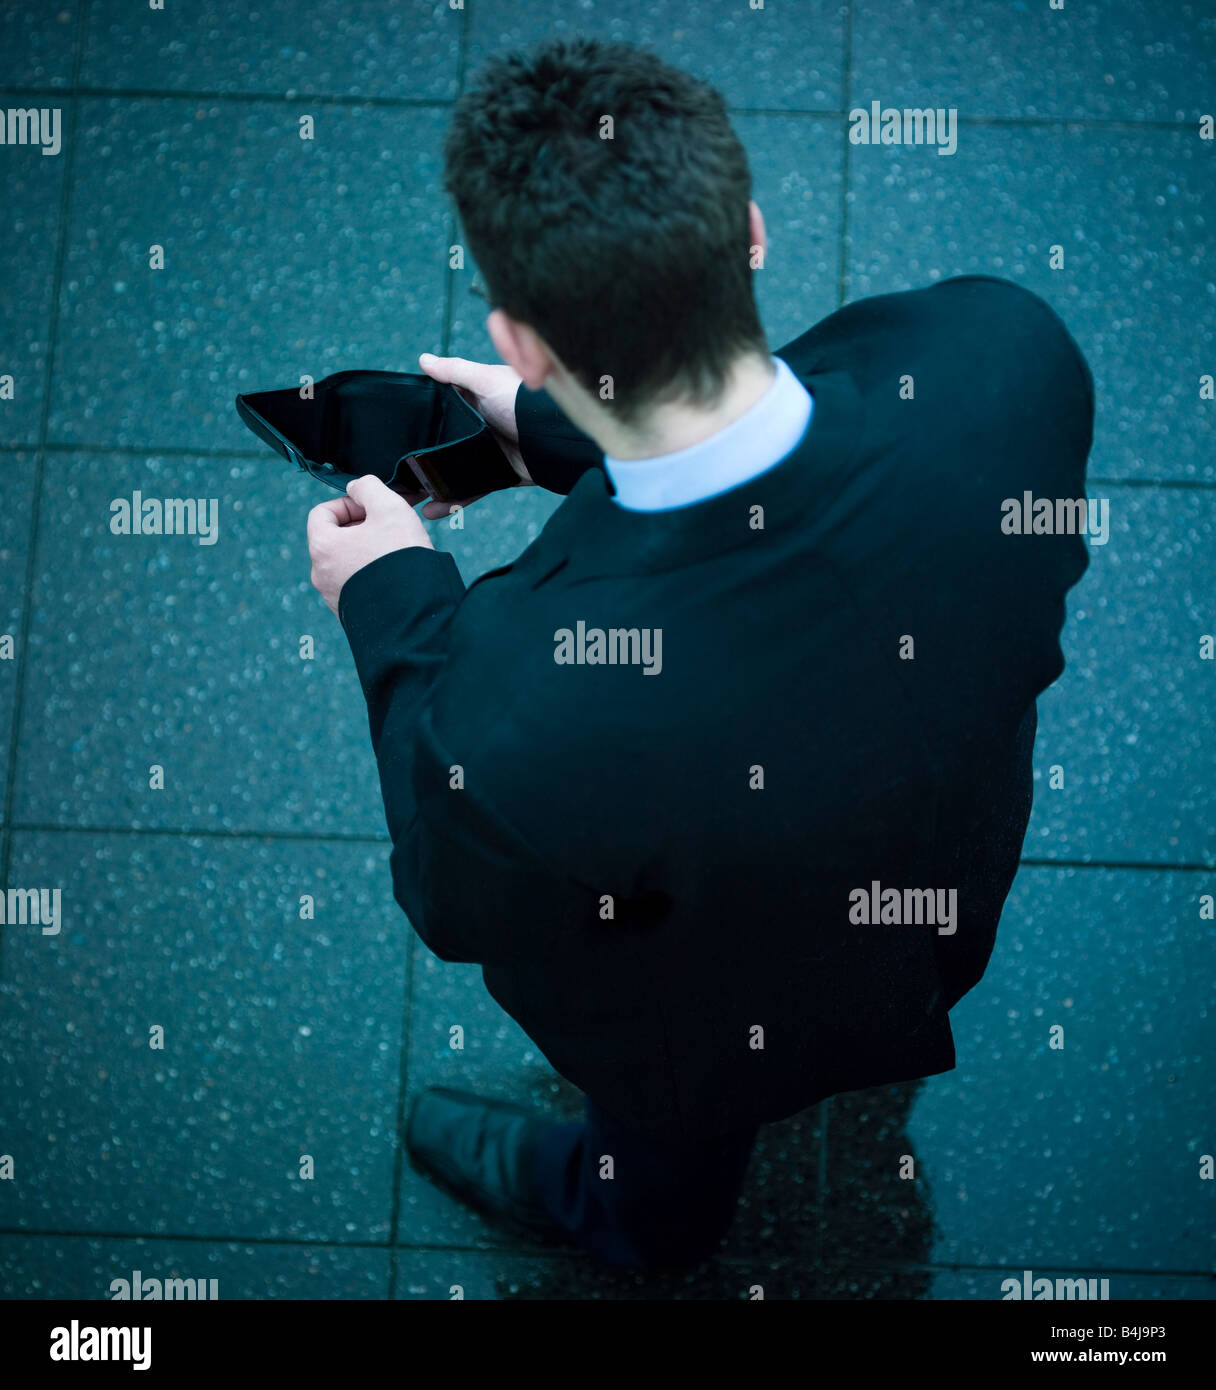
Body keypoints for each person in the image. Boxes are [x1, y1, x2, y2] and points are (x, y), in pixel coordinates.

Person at [306, 36, 1094, 1270]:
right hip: (938, 902)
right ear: (754, 230)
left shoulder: (513, 721)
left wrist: (388, 593)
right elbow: (820, 417)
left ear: (518, 341)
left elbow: (453, 896)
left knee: (663, 1157)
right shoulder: (1005, 360)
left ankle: (626, 1226)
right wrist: (560, 434)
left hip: (700, 1023)